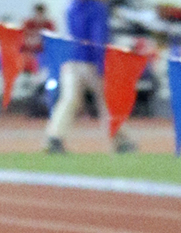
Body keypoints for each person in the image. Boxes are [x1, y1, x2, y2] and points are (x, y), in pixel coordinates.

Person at [44, 0, 137, 154]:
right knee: (108, 102)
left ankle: (54, 137)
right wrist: (103, 66)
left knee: (69, 100)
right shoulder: (96, 8)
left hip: (71, 59)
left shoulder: (71, 7)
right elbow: (98, 38)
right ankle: (122, 141)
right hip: (91, 62)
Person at [21, 2, 55, 74]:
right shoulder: (28, 23)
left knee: (43, 59)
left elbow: (51, 42)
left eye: (41, 14)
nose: (39, 16)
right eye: (38, 14)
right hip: (28, 52)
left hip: (42, 53)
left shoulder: (49, 24)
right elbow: (23, 39)